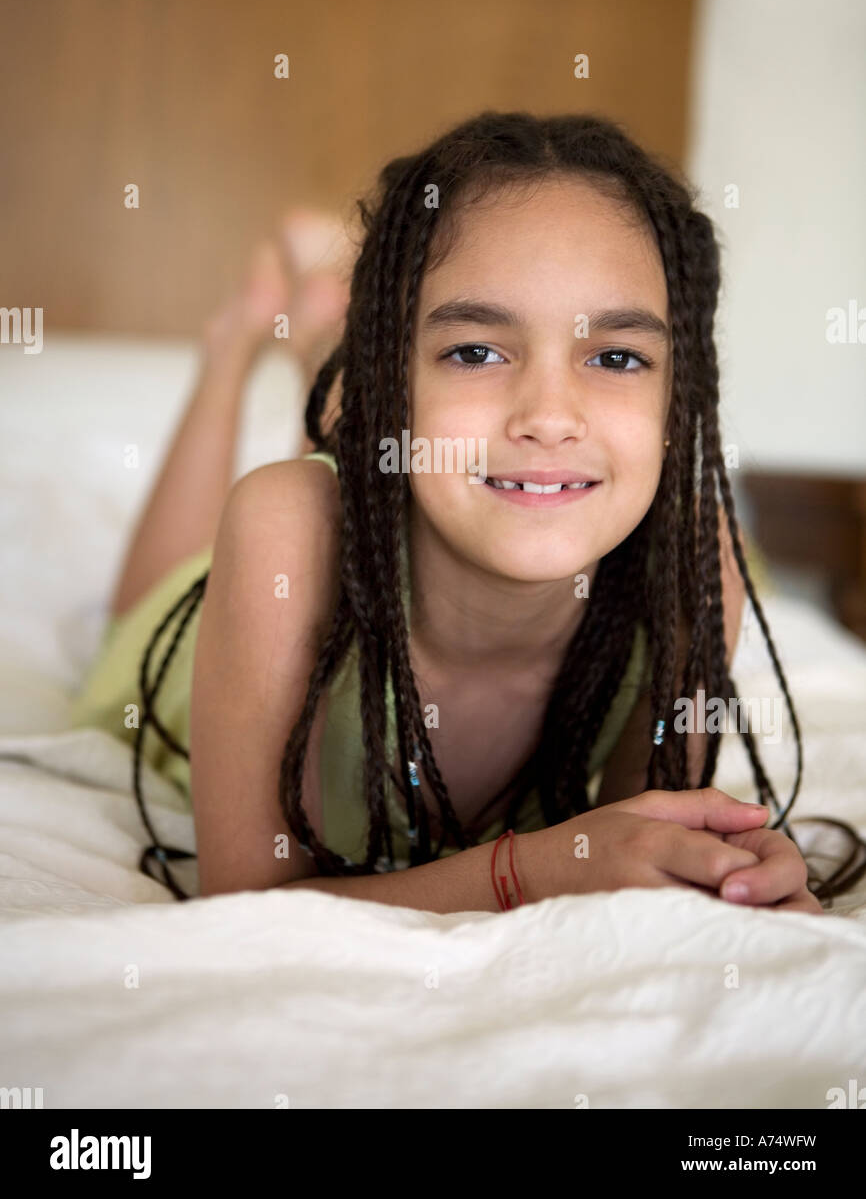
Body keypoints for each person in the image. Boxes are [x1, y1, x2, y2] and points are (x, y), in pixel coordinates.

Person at [70, 111, 865, 913]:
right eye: (476, 351)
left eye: (617, 357)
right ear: (387, 377)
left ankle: (315, 327)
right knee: (191, 572)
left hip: (387, 512)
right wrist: (527, 871)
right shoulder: (283, 530)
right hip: (245, 607)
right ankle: (237, 342)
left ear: (677, 398)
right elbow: (246, 905)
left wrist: (726, 879)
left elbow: (651, 856)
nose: (549, 415)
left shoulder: (694, 570)